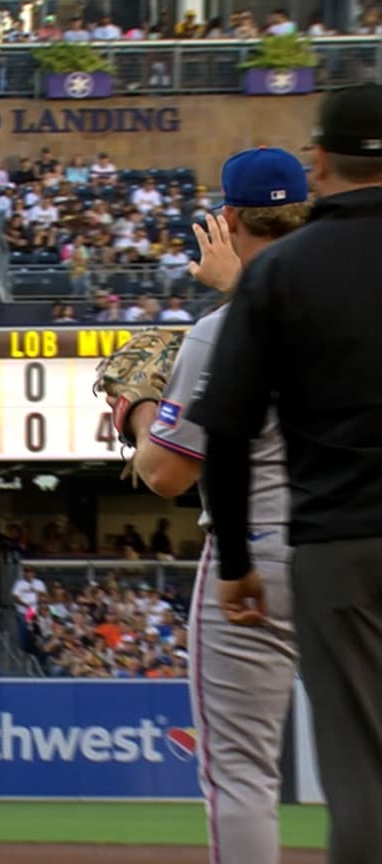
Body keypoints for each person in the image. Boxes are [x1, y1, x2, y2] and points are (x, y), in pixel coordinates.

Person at [190, 84, 382, 864]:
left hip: (333, 543)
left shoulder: (279, 278)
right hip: (324, 543)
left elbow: (223, 433)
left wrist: (233, 563)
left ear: (322, 161)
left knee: (359, 775)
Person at [114, 147, 309, 864]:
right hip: (354, 544)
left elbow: (165, 473)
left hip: (254, 554)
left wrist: (135, 408)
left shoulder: (217, 333)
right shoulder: (360, 301)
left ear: (224, 221)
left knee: (241, 775)